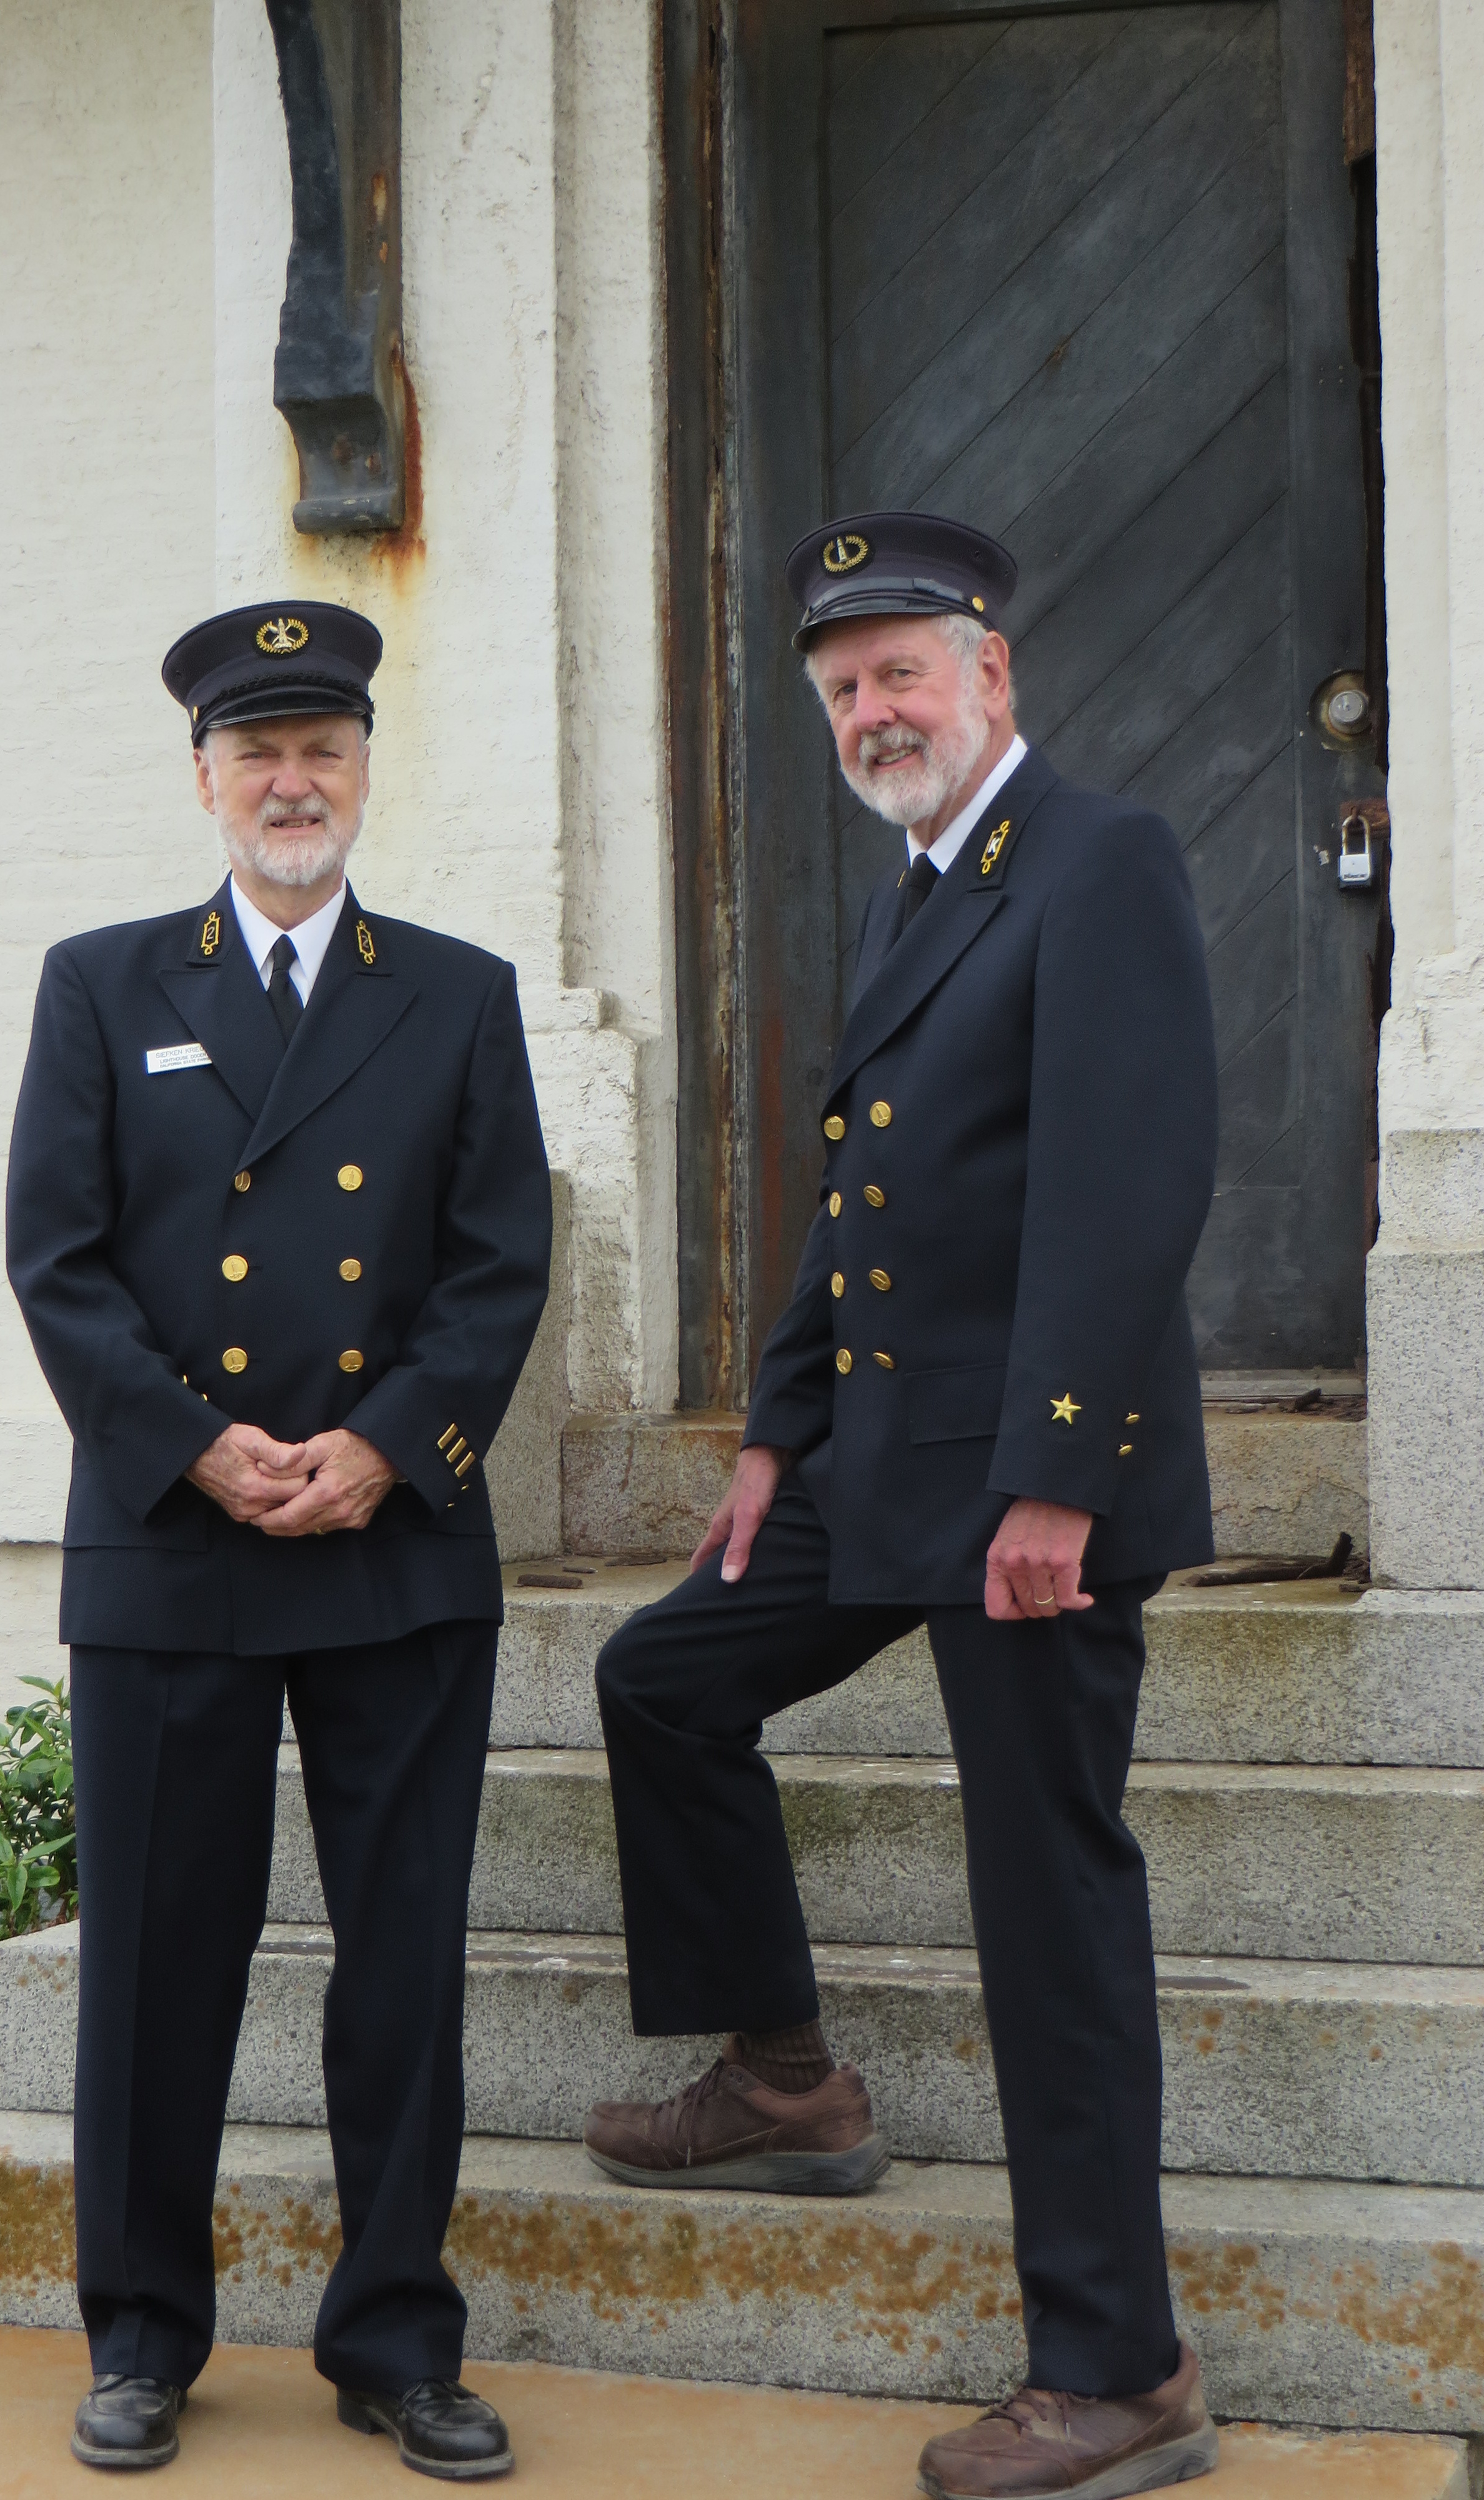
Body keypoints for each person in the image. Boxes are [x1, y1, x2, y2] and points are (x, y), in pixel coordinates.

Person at [582, 514, 1222, 2499]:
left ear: (991, 674)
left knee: (1050, 1914)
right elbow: (852, 1200)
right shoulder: (917, 895)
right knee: (665, 1679)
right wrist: (776, 1431)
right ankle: (788, 2076)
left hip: (1027, 1489)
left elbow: (1132, 1188)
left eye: (902, 675)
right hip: (883, 1465)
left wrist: (1056, 1485)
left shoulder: (1098, 859)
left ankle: (1119, 2373)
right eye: (842, 688)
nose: (874, 712)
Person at [6, 598, 551, 2481]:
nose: (291, 780)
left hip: (389, 1544)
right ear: (205, 779)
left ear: (367, 771)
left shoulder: (461, 992)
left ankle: (395, 2338)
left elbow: (498, 1270)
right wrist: (192, 1444)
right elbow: (55, 1260)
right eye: (258, 751)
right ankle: (145, 2334)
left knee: (402, 1961)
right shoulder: (102, 984)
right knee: (160, 1964)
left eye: (322, 746)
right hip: (175, 1541)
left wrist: (392, 1446)